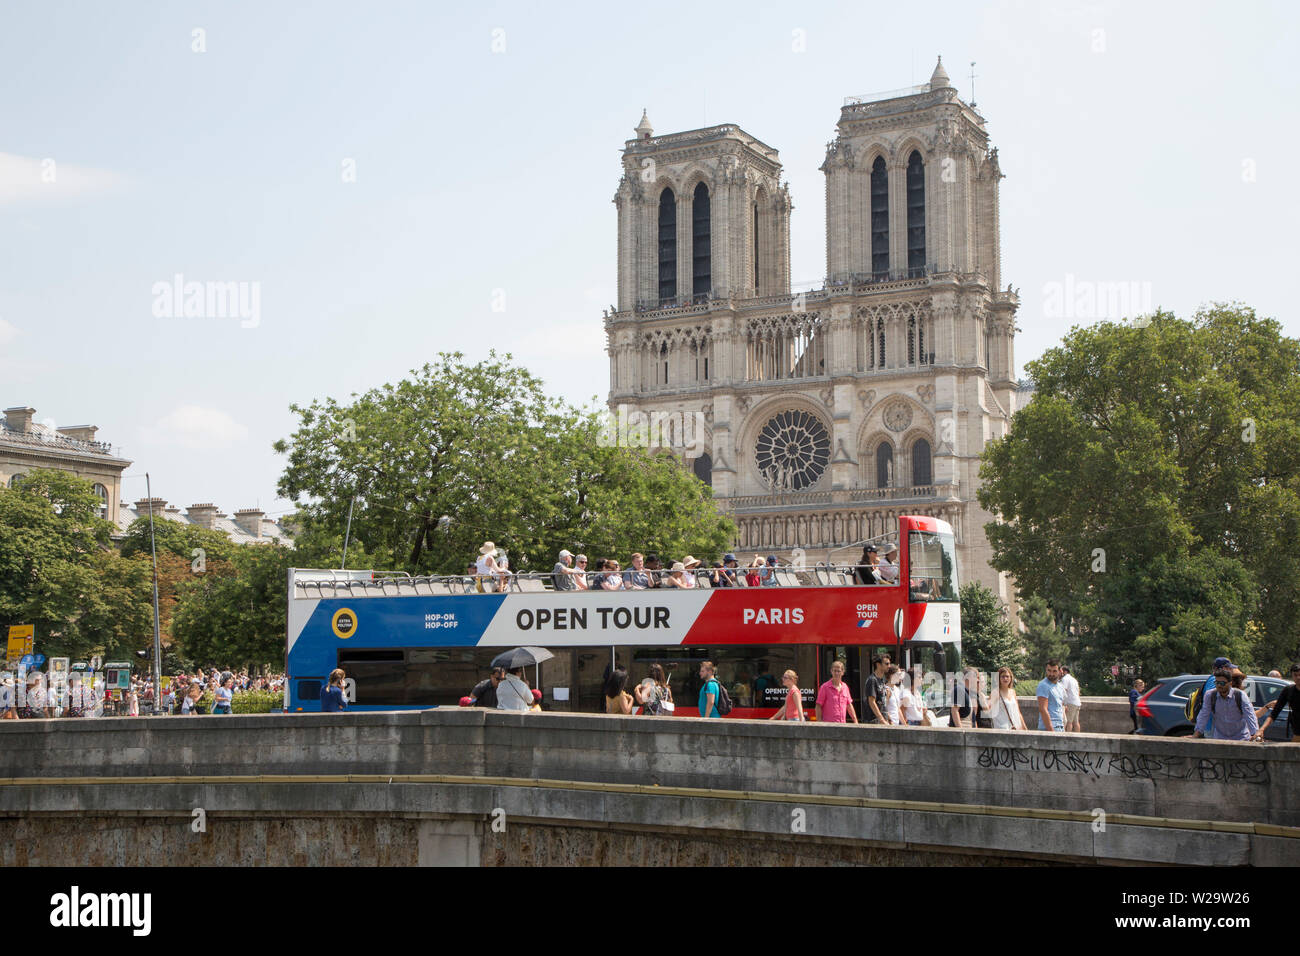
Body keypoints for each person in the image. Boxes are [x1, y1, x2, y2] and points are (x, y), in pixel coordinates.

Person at [1193, 667, 1258, 741]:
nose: (1219, 685)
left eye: (1222, 683)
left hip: (1241, 738)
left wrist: (1255, 734)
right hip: (1220, 738)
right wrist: (1196, 734)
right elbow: (1204, 715)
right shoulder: (1210, 695)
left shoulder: (1240, 695)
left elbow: (1250, 715)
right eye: (1217, 683)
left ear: (1230, 683)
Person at [1254, 663, 1299, 742]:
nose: (1298, 677)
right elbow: (1274, 713)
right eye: (1295, 675)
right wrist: (1261, 729)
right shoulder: (1288, 690)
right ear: (1292, 675)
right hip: (1297, 733)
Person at [815, 659, 858, 724]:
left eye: (839, 671)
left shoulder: (845, 687)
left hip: (842, 724)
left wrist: (855, 721)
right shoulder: (825, 687)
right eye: (834, 671)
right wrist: (819, 723)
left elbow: (849, 705)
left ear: (843, 672)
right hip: (828, 725)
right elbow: (818, 706)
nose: (836, 673)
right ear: (831, 671)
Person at [1036, 660, 1066, 732]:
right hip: (1048, 728)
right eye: (1049, 671)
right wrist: (1051, 732)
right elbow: (1043, 709)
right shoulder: (1043, 685)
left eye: (1054, 671)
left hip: (1060, 726)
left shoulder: (1060, 686)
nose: (1051, 674)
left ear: (1059, 671)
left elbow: (1061, 706)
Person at [861, 654, 888, 723]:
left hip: (882, 719)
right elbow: (872, 702)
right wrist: (882, 720)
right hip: (874, 720)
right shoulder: (872, 680)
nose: (889, 666)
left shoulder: (882, 680)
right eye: (886, 664)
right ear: (878, 665)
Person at [1060, 665, 1082, 732]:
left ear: (1065, 671)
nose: (1060, 673)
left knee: (1069, 722)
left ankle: (1068, 737)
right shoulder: (1074, 679)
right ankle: (1078, 736)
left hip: (1070, 702)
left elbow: (1063, 691)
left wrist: (1063, 702)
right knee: (1076, 722)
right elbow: (1078, 692)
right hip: (1077, 702)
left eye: (1061, 671)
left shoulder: (1065, 679)